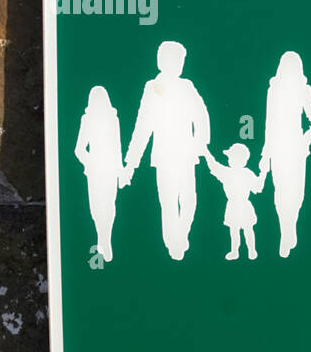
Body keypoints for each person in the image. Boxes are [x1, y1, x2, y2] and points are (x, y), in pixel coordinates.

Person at [123, 41, 211, 260]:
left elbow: (201, 115)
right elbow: (143, 126)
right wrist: (131, 163)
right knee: (169, 201)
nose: (180, 64)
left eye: (181, 60)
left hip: (186, 154)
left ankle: (181, 235)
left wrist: (200, 143)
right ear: (162, 61)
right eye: (176, 59)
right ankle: (173, 242)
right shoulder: (152, 88)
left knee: (189, 199)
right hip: (164, 156)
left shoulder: (187, 86)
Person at [259, 52, 311, 258]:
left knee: (296, 193)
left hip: (296, 149)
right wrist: (265, 154)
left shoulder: (304, 90)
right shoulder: (274, 89)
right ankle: (285, 232)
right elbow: (269, 122)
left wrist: (304, 141)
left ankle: (290, 226)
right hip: (277, 148)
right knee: (281, 191)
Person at [74, 85, 122, 263]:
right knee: (96, 206)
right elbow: (79, 149)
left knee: (109, 205)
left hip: (111, 170)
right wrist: (91, 163)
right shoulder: (87, 121)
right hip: (95, 172)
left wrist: (120, 169)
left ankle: (105, 238)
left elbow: (117, 147)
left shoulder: (113, 120)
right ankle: (101, 237)